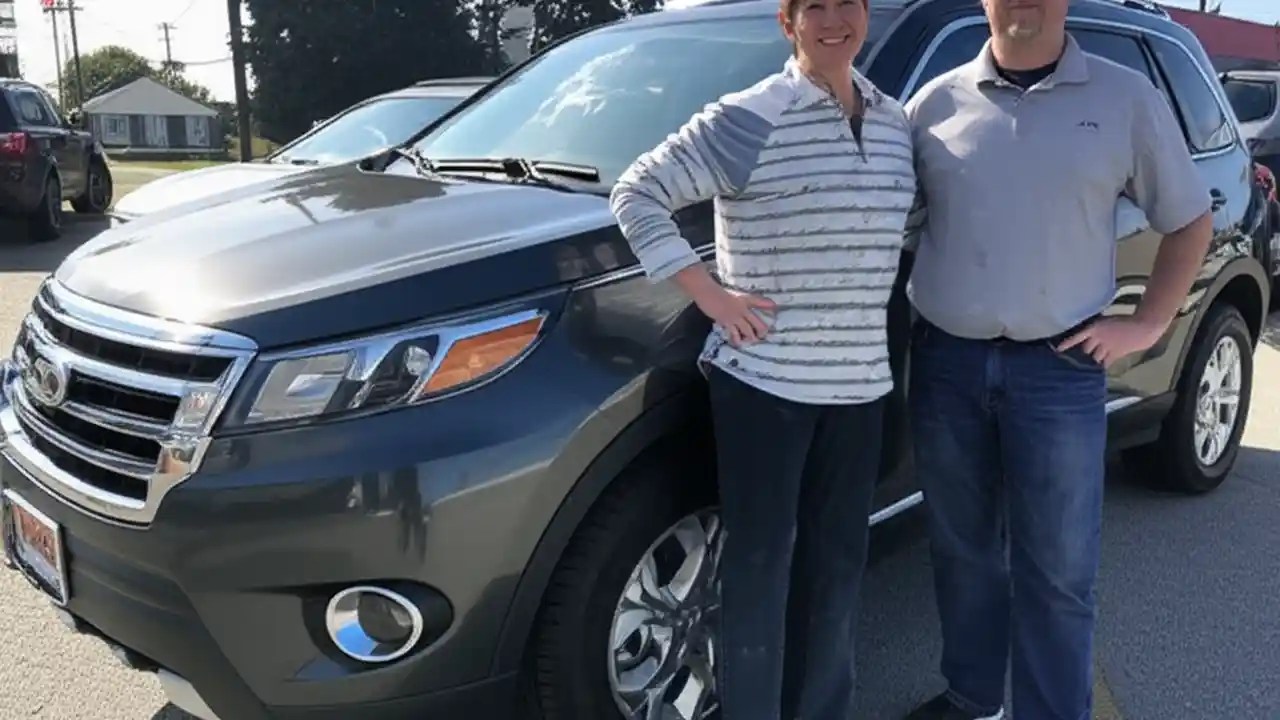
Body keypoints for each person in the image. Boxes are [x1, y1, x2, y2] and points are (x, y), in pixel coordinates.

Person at [900, 0, 1215, 718]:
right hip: (946, 364)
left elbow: (1191, 220)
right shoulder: (933, 105)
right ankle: (975, 697)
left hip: (1058, 372)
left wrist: (1149, 322)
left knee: (1059, 571)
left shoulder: (1124, 96)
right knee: (963, 552)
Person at [608, 0, 916, 716]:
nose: (833, 19)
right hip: (766, 388)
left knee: (837, 573)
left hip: (861, 388)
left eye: (848, 4)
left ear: (865, 15)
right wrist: (712, 297)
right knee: (758, 571)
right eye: (815, 6)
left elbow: (911, 225)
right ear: (789, 23)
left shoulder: (895, 122)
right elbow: (638, 192)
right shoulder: (751, 114)